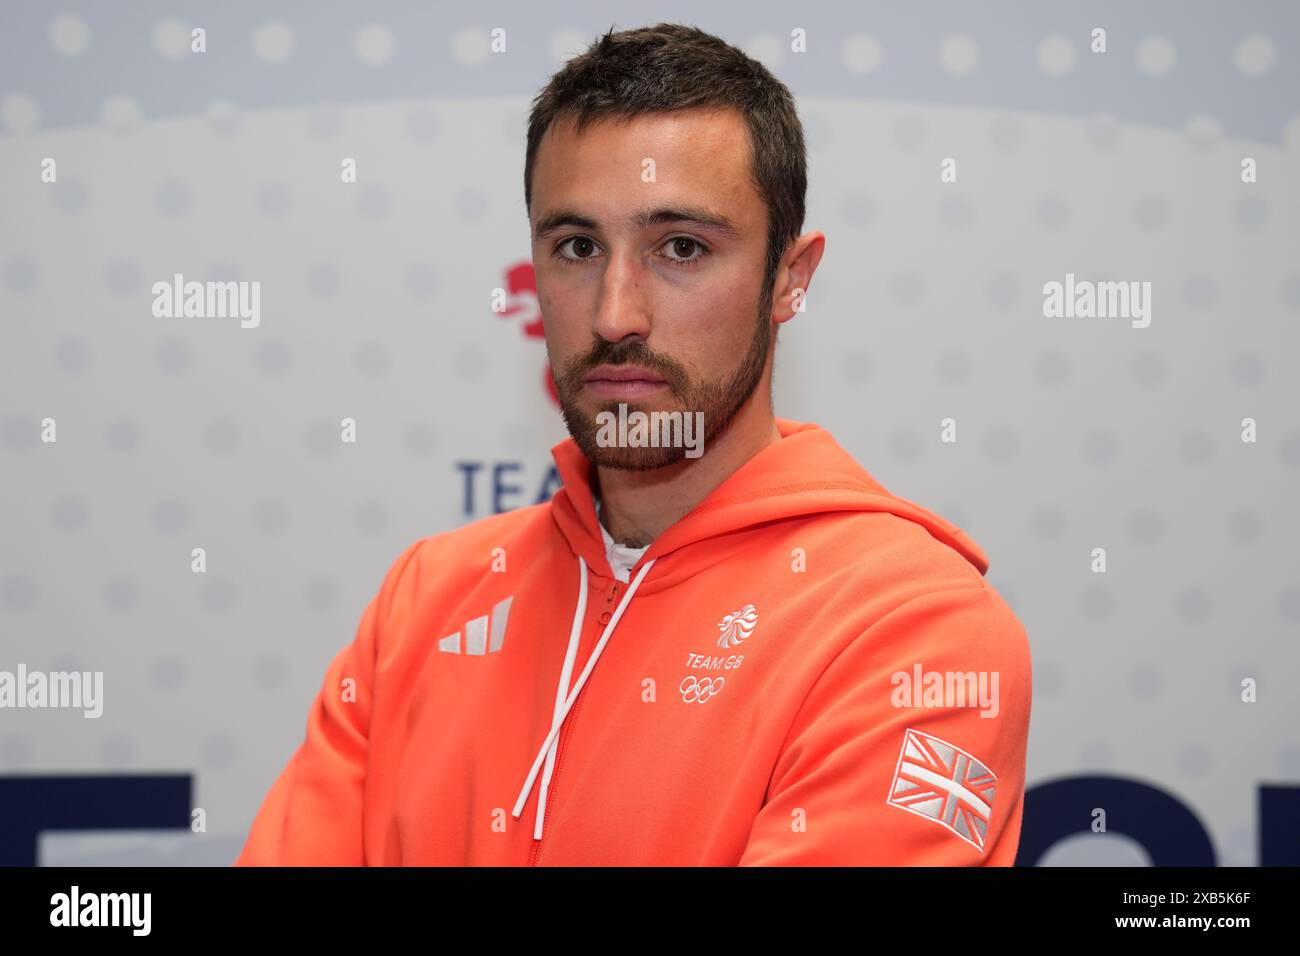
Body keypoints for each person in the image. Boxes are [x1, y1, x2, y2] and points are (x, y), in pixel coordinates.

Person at [235, 22, 1031, 866]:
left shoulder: (912, 629)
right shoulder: (429, 599)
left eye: (681, 248)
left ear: (790, 278)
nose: (615, 313)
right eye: (578, 247)